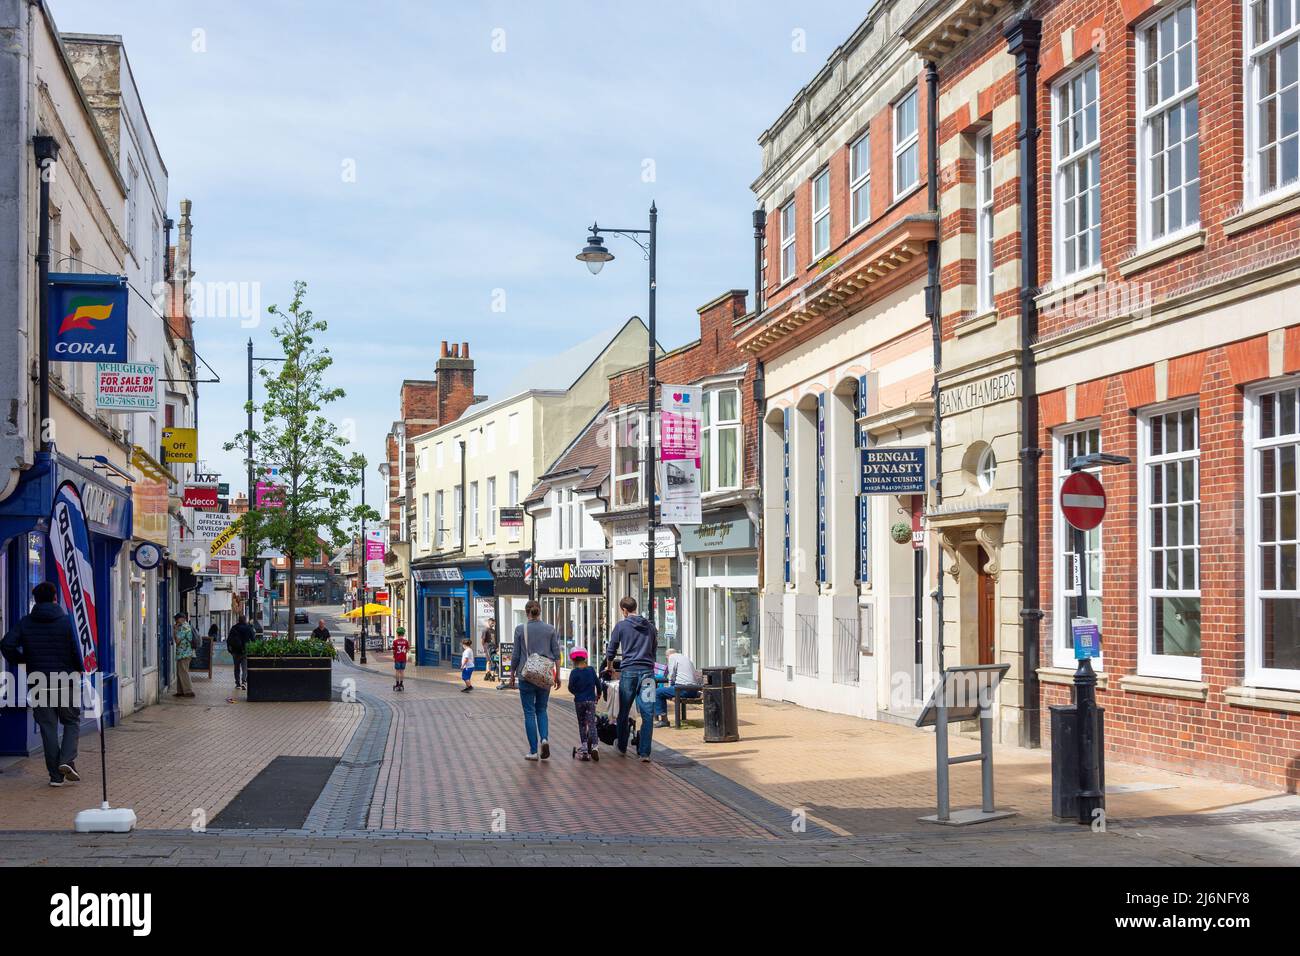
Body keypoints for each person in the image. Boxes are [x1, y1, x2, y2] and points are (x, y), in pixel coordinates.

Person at [1, 582, 84, 787]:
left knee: (48, 727)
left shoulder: (26, 622)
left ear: (36, 600)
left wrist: (22, 660)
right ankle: (66, 761)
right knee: (71, 722)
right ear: (55, 598)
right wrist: (79, 667)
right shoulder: (66, 622)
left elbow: (6, 644)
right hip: (65, 679)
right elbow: (76, 649)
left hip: (38, 680)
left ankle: (55, 776)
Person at [602, 596, 658, 762]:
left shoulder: (621, 626)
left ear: (624, 610)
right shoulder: (650, 626)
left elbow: (611, 649)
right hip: (648, 673)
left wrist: (610, 666)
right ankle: (644, 753)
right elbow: (654, 648)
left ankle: (622, 747)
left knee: (624, 711)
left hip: (629, 673)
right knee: (648, 713)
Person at [511, 599, 560, 761]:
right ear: (540, 611)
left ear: (527, 613)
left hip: (526, 675)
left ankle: (533, 751)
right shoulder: (550, 629)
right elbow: (556, 654)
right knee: (542, 709)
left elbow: (516, 655)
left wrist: (511, 675)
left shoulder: (520, 629)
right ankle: (544, 738)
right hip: (545, 676)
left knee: (529, 712)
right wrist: (557, 675)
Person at [654, 647, 703, 728]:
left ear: (667, 656)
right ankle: (699, 694)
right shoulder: (685, 658)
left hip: (683, 690)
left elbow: (671, 675)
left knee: (658, 692)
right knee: (667, 690)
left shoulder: (672, 658)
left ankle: (664, 720)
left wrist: (669, 687)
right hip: (693, 690)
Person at [567, 648, 601, 761]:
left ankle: (585, 747)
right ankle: (595, 746)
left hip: (579, 701)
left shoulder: (574, 672)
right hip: (591, 701)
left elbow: (570, 687)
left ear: (574, 661)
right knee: (592, 724)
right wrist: (599, 695)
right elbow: (598, 683)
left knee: (582, 724)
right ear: (585, 659)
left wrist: (576, 693)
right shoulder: (591, 670)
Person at [226, 614, 255, 690]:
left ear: (238, 620)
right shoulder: (248, 628)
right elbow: (253, 639)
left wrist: (230, 650)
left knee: (236, 668)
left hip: (235, 651)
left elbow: (229, 640)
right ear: (245, 620)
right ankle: (244, 682)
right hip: (245, 651)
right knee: (244, 667)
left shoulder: (234, 628)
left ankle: (237, 683)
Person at [173, 612, 196, 698]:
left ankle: (188, 691)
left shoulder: (184, 627)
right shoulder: (186, 626)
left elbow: (177, 641)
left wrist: (175, 630)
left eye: (176, 619)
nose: (175, 621)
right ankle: (180, 691)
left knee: (183, 672)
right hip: (183, 653)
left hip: (184, 654)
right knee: (180, 672)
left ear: (181, 619)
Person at [392, 627, 410, 691]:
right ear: (403, 634)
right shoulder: (406, 642)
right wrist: (404, 653)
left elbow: (394, 651)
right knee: (402, 671)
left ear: (397, 634)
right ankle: (401, 684)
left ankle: (397, 684)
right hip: (403, 658)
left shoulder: (395, 642)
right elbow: (407, 649)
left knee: (397, 671)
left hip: (397, 658)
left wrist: (394, 656)